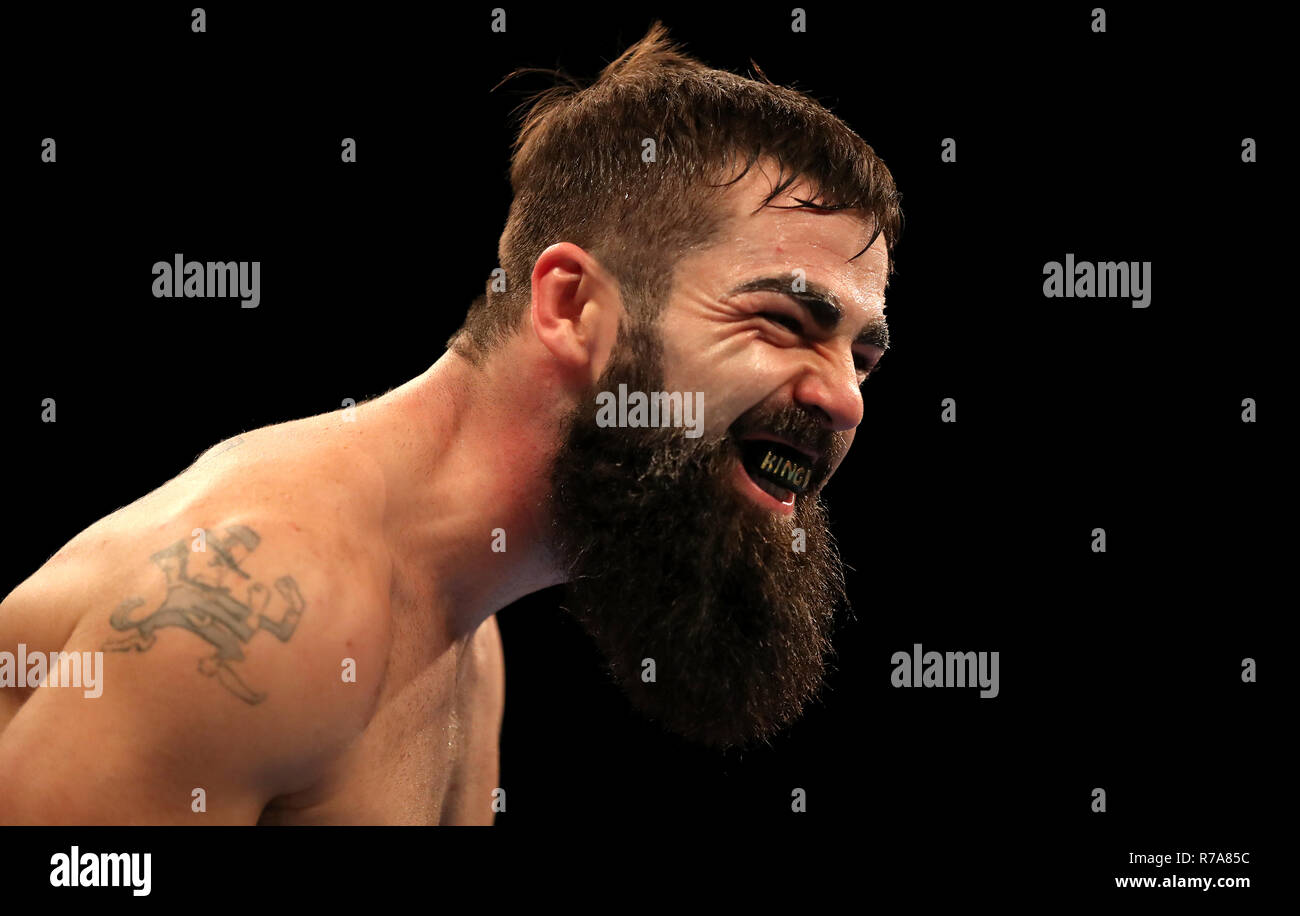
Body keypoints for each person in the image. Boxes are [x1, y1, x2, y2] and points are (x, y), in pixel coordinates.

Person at [0, 21, 901, 825]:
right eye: (785, 322)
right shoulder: (267, 606)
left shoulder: (467, 638)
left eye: (862, 355)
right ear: (575, 307)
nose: (845, 398)